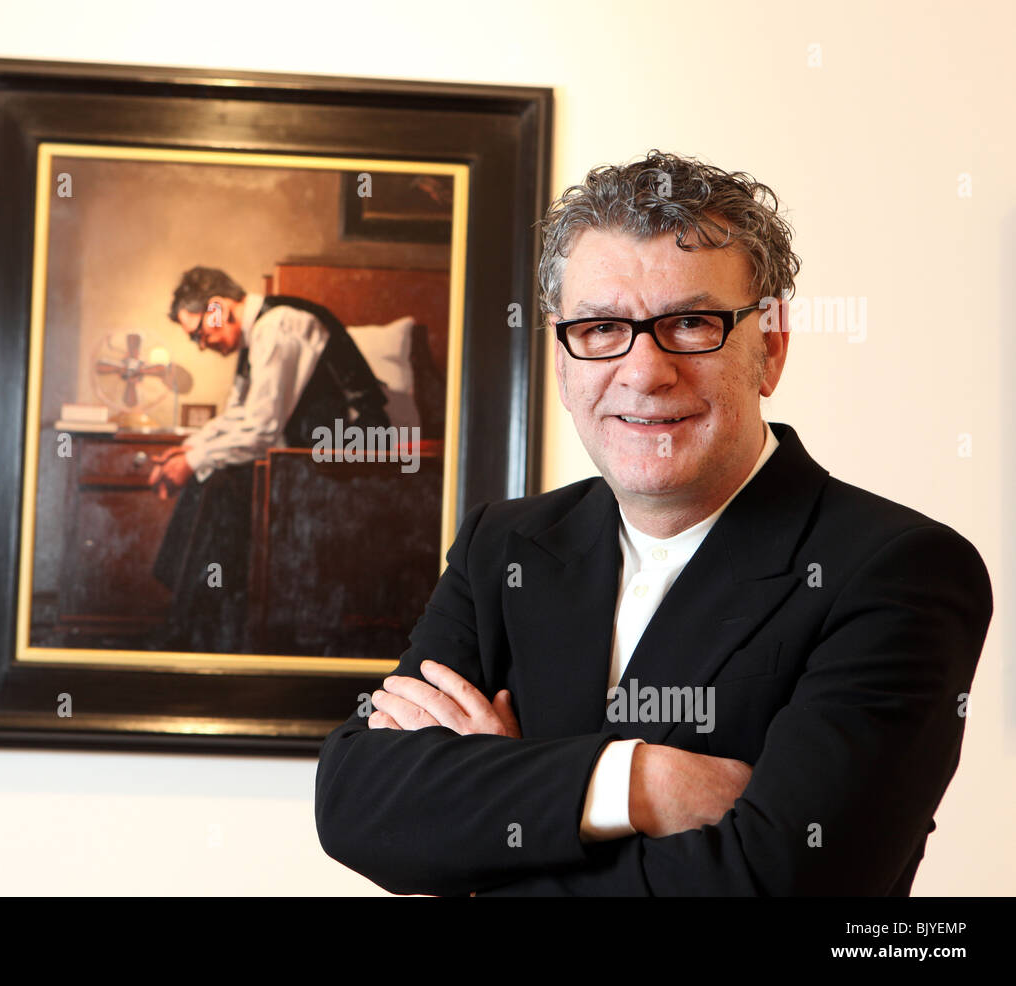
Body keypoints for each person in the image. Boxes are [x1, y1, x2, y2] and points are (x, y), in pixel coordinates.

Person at [313, 150, 993, 896]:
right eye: (602, 328)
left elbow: (780, 883)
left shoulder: (900, 570)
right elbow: (357, 805)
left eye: (692, 322)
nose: (644, 372)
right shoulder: (502, 546)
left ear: (769, 349)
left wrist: (503, 795)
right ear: (563, 363)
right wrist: (639, 781)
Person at [150, 267, 389, 652]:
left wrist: (195, 461)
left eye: (199, 333)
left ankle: (200, 628)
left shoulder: (278, 327)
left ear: (218, 309)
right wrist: (191, 449)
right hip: (306, 453)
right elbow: (239, 415)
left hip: (352, 451)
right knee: (212, 474)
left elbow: (261, 431)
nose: (201, 344)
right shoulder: (255, 338)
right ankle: (190, 620)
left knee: (220, 482)